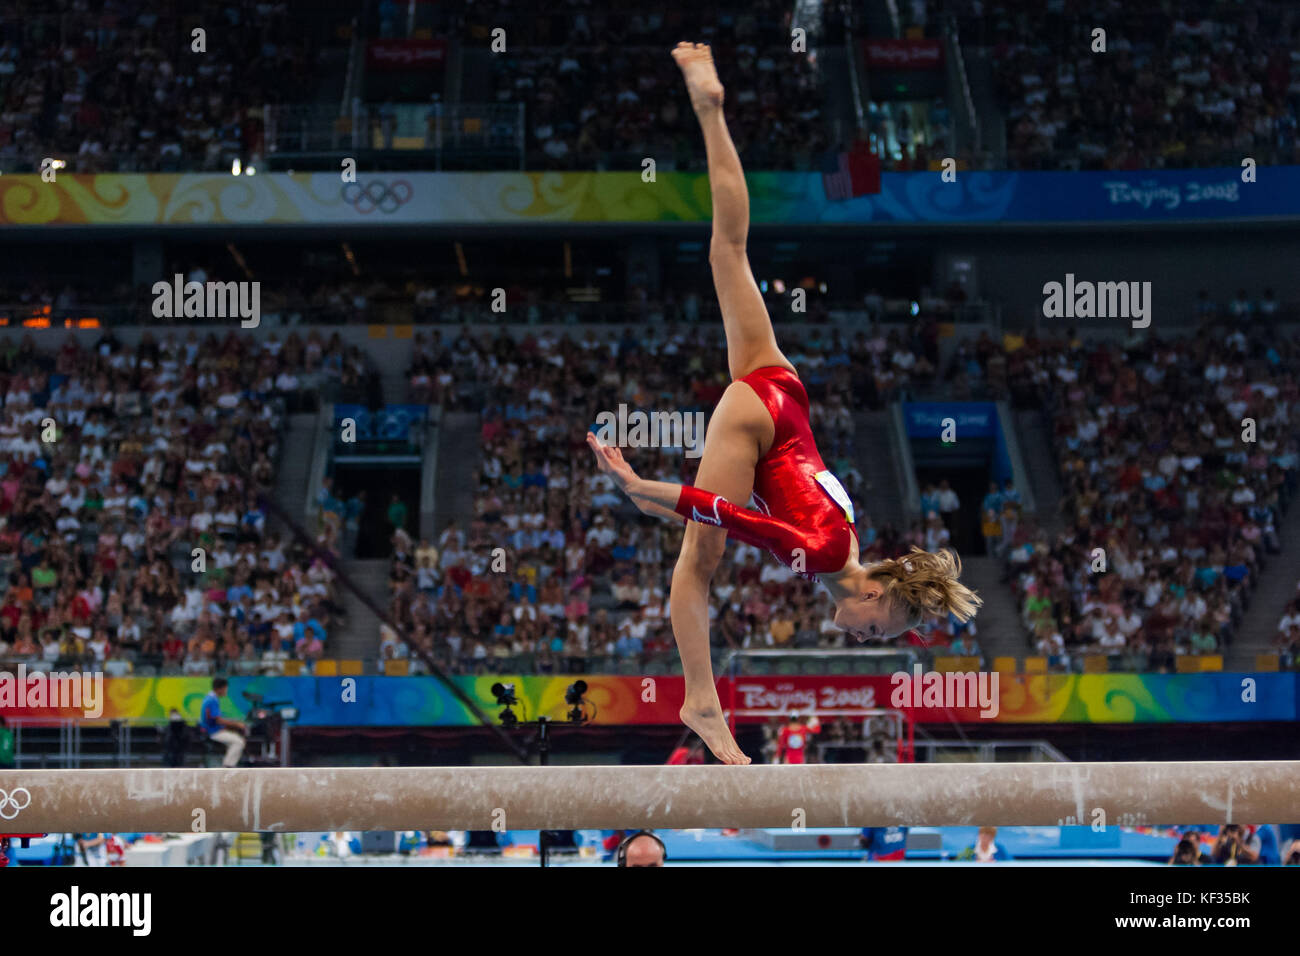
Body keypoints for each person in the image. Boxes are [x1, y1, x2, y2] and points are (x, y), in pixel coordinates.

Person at [586, 43, 981, 764]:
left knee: (728, 250)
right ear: (876, 591)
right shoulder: (831, 552)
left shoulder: (848, 547)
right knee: (698, 559)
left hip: (783, 391)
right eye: (869, 628)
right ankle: (702, 701)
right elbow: (741, 519)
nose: (855, 635)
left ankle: (711, 113)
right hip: (762, 421)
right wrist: (646, 489)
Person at [200, 677, 247, 767]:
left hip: (213, 730)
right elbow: (218, 720)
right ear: (220, 688)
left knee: (235, 740)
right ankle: (227, 767)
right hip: (212, 732)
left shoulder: (210, 698)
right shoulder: (212, 700)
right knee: (239, 742)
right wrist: (237, 724)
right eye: (226, 689)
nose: (226, 691)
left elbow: (216, 719)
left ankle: (227, 764)